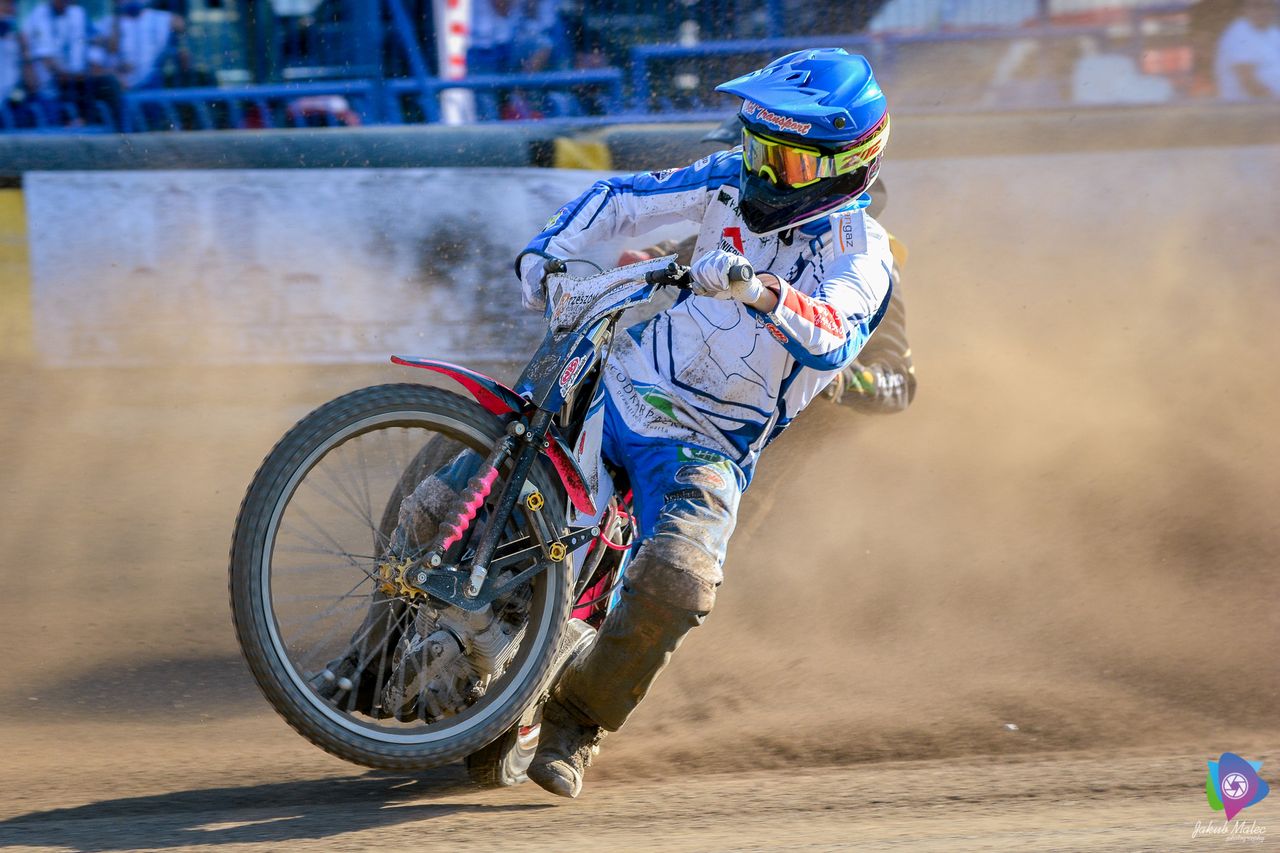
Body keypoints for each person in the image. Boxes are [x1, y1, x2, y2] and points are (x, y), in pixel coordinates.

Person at [515, 48, 895, 797]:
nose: (759, 171)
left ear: (843, 168)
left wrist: (759, 291)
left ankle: (574, 720)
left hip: (709, 445)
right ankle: (368, 652)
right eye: (758, 148)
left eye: (783, 162)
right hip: (622, 376)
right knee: (472, 470)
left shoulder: (864, 252)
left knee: (681, 580)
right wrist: (548, 258)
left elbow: (836, 335)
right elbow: (621, 197)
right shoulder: (726, 178)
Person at [20, 0, 88, 121]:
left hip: (72, 78)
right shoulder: (40, 15)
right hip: (51, 83)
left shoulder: (77, 13)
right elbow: (47, 60)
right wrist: (70, 75)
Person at [1215, 0, 1280, 100]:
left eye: (1269, 6)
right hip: (1249, 108)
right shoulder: (1239, 33)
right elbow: (1248, 81)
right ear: (1245, 8)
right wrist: (1275, 100)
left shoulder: (1273, 31)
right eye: (1257, 6)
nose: (1264, 11)